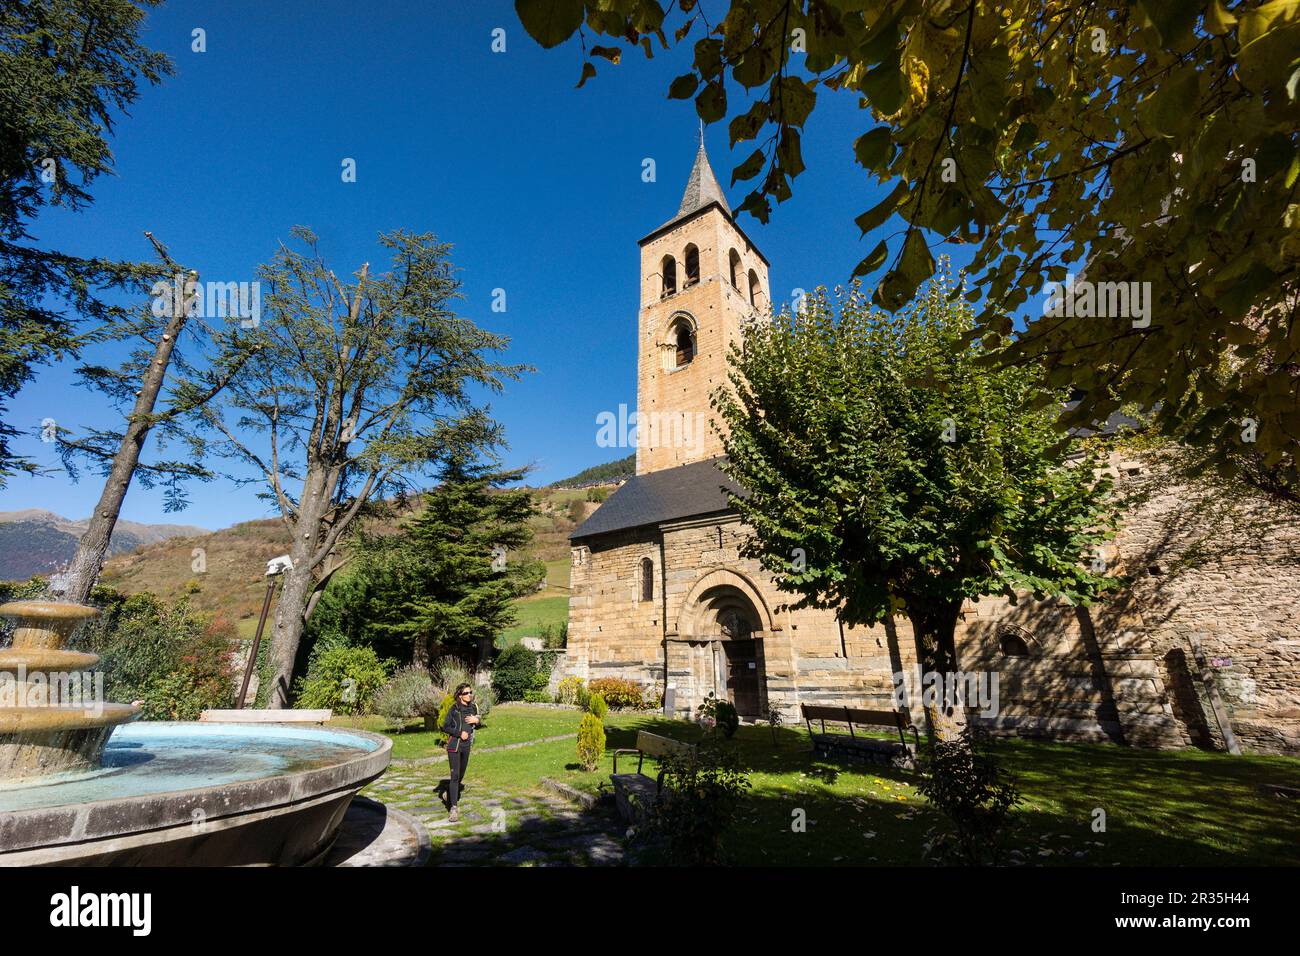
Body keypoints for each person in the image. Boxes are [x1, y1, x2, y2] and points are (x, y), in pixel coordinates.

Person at [442, 683, 480, 822]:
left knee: (461, 775)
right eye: (466, 693)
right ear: (459, 696)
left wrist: (477, 720)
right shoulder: (454, 709)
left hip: (466, 746)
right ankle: (453, 809)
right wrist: (459, 733)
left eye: (470, 692)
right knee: (455, 776)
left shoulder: (473, 707)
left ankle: (449, 792)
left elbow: (478, 723)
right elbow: (444, 726)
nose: (469, 694)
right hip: (454, 745)